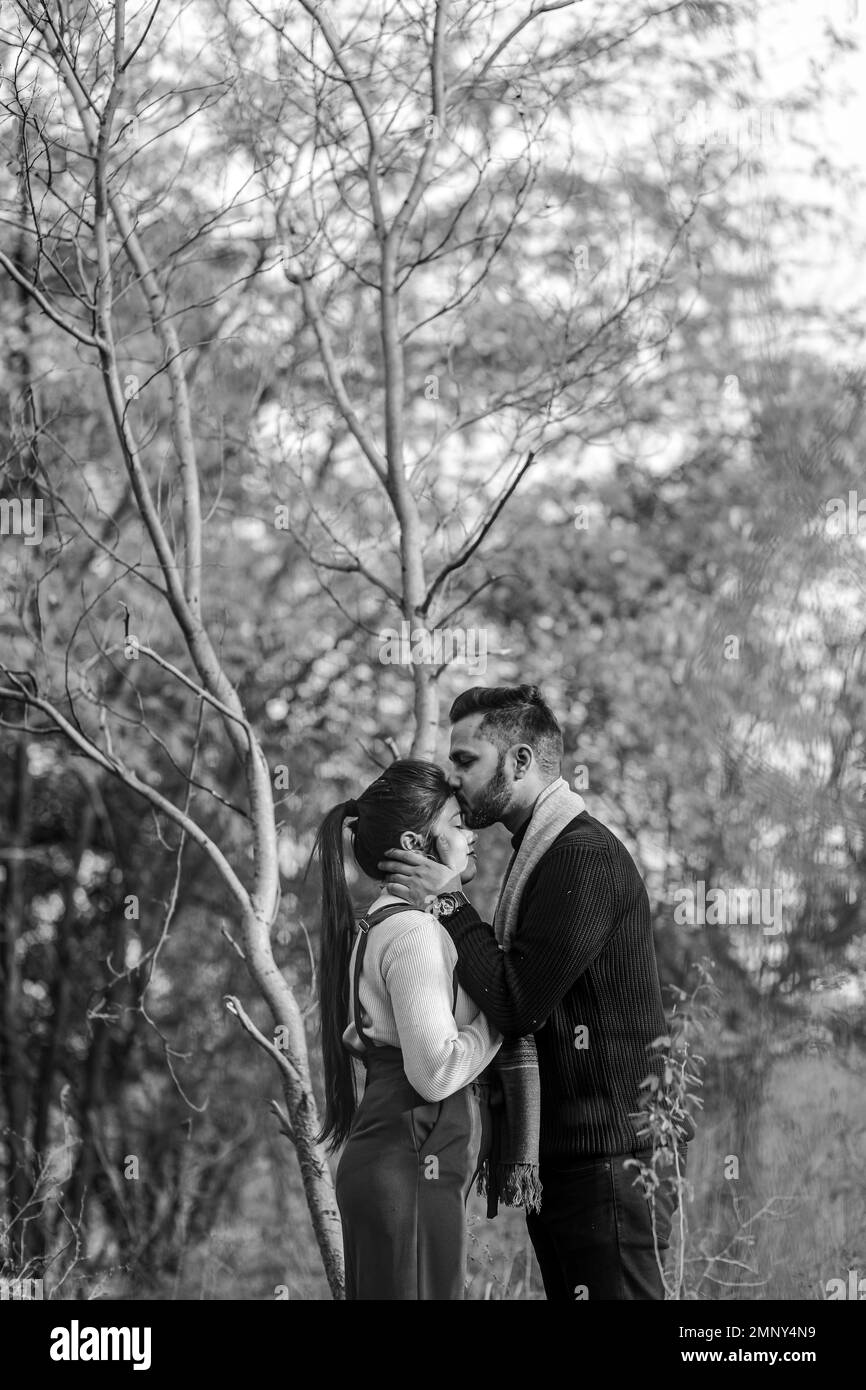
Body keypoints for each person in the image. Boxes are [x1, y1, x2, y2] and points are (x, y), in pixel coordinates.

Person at [380, 685, 694, 1301]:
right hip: (574, 1161)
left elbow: (516, 1001)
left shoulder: (581, 858)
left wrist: (448, 902)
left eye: (467, 761)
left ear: (520, 762)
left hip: (612, 1162)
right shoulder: (541, 855)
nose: (453, 776)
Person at [313, 758, 501, 1301]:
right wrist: (504, 1017)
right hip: (409, 1169)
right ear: (418, 843)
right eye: (458, 824)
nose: (472, 835)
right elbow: (436, 1072)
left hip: (403, 1168)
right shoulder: (415, 932)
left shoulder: (385, 926)